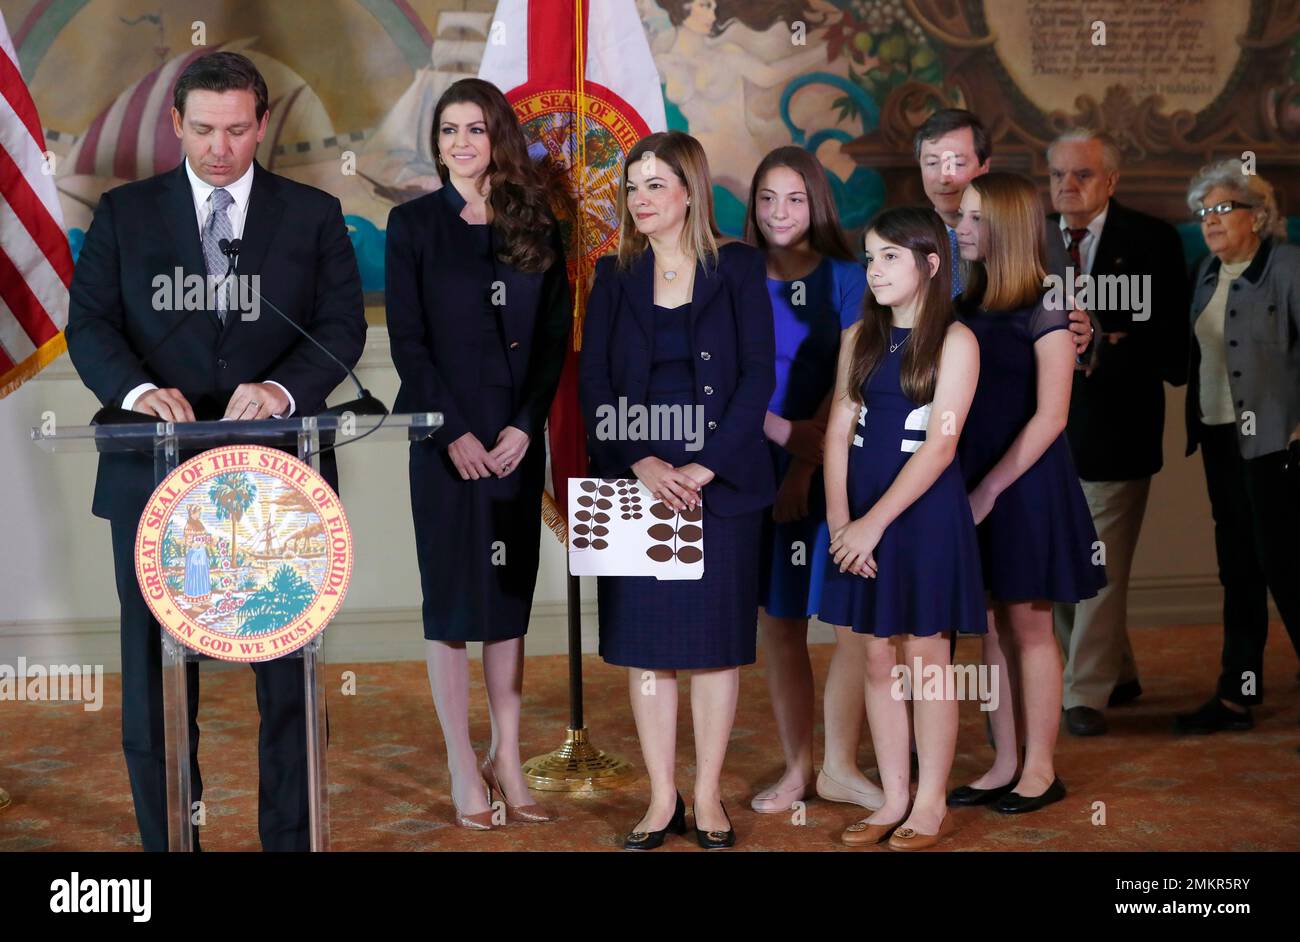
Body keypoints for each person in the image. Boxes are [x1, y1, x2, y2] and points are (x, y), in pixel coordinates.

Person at [65, 51, 367, 851]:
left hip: (278, 482)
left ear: (262, 124)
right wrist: (134, 393)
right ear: (176, 124)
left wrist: (283, 392)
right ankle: (172, 846)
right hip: (152, 477)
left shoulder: (311, 215)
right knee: (154, 683)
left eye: (237, 129)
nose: (221, 147)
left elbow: (341, 330)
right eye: (203, 130)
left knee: (289, 684)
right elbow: (90, 323)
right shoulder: (125, 215)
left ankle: (291, 841)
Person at [579, 130, 775, 849]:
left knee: (717, 648)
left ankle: (708, 797)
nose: (639, 199)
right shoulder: (613, 273)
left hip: (720, 486)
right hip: (638, 484)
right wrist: (642, 462)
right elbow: (595, 384)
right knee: (648, 650)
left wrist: (706, 465)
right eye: (632, 186)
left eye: (655, 184)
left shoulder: (740, 268)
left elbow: (759, 375)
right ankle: (663, 800)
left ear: (690, 191)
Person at [385, 78, 572, 828]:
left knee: (507, 604)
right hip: (445, 440)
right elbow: (409, 343)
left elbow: (554, 340)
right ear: (437, 144)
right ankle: (463, 761)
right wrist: (453, 431)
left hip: (517, 444)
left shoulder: (538, 224)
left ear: (498, 136)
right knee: (453, 604)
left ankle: (508, 755)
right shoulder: (412, 226)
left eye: (475, 129)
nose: (461, 143)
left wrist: (526, 426)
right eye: (449, 131)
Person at [820, 206, 984, 850]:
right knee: (877, 656)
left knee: (926, 660)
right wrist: (841, 524)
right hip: (856, 515)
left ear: (930, 264)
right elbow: (838, 431)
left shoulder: (957, 341)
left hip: (921, 518)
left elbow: (940, 449)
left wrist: (872, 526)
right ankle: (893, 796)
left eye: (891, 255)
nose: (875, 268)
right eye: (869, 256)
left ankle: (931, 802)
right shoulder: (857, 335)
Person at [948, 173, 1106, 814]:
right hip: (970, 478)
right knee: (988, 625)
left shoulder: (1050, 301)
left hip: (1026, 481)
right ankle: (1005, 761)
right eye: (960, 216)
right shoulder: (963, 304)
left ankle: (1042, 768)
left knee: (1029, 624)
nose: (960, 227)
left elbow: (1052, 416)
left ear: (1007, 225)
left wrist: (987, 490)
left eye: (973, 218)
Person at [742, 146, 882, 815]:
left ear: (817, 204)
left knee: (851, 625)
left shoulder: (848, 277)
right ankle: (799, 768)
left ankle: (842, 765)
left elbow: (849, 377)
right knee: (781, 624)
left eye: (794, 198)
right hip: (747, 463)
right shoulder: (735, 273)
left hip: (833, 464)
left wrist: (806, 462)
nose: (779, 212)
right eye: (767, 198)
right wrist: (772, 439)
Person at [1044, 129, 1191, 736]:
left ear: (1111, 181)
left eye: (1080, 175)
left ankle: (1083, 693)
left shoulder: (1151, 242)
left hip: (1117, 433)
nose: (1066, 187)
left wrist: (1104, 348)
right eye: (1056, 175)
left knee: (1096, 566)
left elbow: (1172, 349)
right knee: (1057, 562)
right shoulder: (1032, 240)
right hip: (1042, 436)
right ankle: (1119, 672)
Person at [1173, 159, 1300, 733]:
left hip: (1278, 442)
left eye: (1225, 208)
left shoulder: (1289, 267)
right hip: (1221, 436)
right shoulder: (1205, 271)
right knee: (1239, 567)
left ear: (1260, 215)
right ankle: (1236, 694)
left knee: (1286, 565)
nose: (1212, 221)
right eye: (1204, 212)